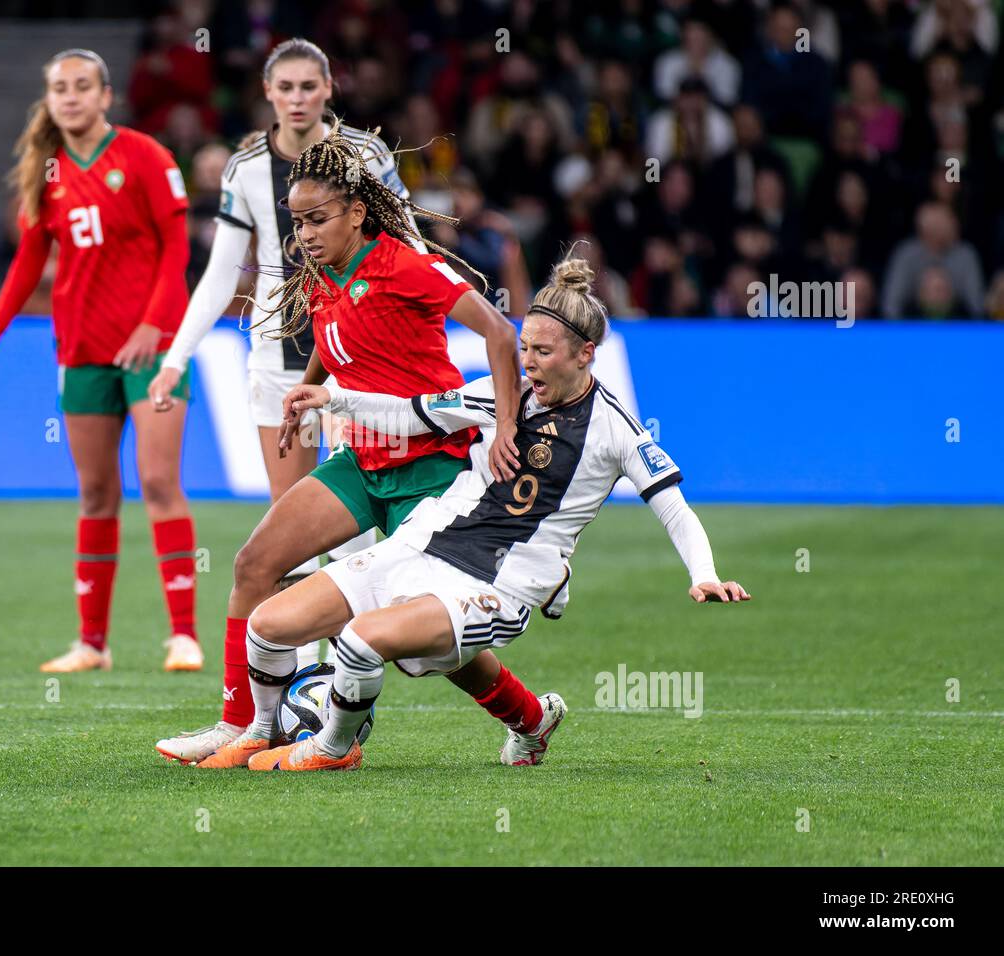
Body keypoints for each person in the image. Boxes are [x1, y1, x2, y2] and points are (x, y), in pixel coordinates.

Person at [235, 249, 750, 771]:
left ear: (585, 354)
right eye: (524, 347)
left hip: (496, 585)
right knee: (268, 624)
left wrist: (704, 574)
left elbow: (674, 508)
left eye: (543, 352)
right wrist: (333, 399)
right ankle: (256, 733)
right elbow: (413, 414)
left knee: (360, 641)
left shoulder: (617, 429)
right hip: (425, 544)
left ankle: (331, 749)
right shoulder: (503, 395)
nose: (527, 362)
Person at [179, 125, 561, 770]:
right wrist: (304, 393)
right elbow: (334, 349)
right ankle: (242, 722)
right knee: (253, 563)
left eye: (317, 219)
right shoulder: (322, 277)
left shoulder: (405, 264)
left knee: (423, 649)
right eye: (296, 222)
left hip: (434, 469)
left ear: (358, 212)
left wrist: (501, 426)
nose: (304, 234)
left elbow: (500, 333)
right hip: (361, 461)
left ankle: (529, 716)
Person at [147, 39, 389, 686]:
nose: (299, 98)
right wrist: (175, 358)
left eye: (310, 85)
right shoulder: (246, 167)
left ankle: (351, 672)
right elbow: (222, 273)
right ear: (268, 92)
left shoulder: (366, 156)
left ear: (330, 88)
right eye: (286, 87)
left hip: (355, 363)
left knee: (354, 526)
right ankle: (309, 678)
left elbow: (406, 247)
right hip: (277, 363)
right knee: (292, 528)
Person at [0, 50, 199, 674]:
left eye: (81, 87)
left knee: (156, 481)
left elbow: (177, 254)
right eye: (59, 88)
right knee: (96, 493)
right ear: (50, 99)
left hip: (153, 350)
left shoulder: (145, 156)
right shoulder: (48, 171)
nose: (69, 97)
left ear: (105, 95)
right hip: (82, 349)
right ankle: (91, 644)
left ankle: (183, 635)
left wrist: (154, 324)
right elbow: (26, 263)